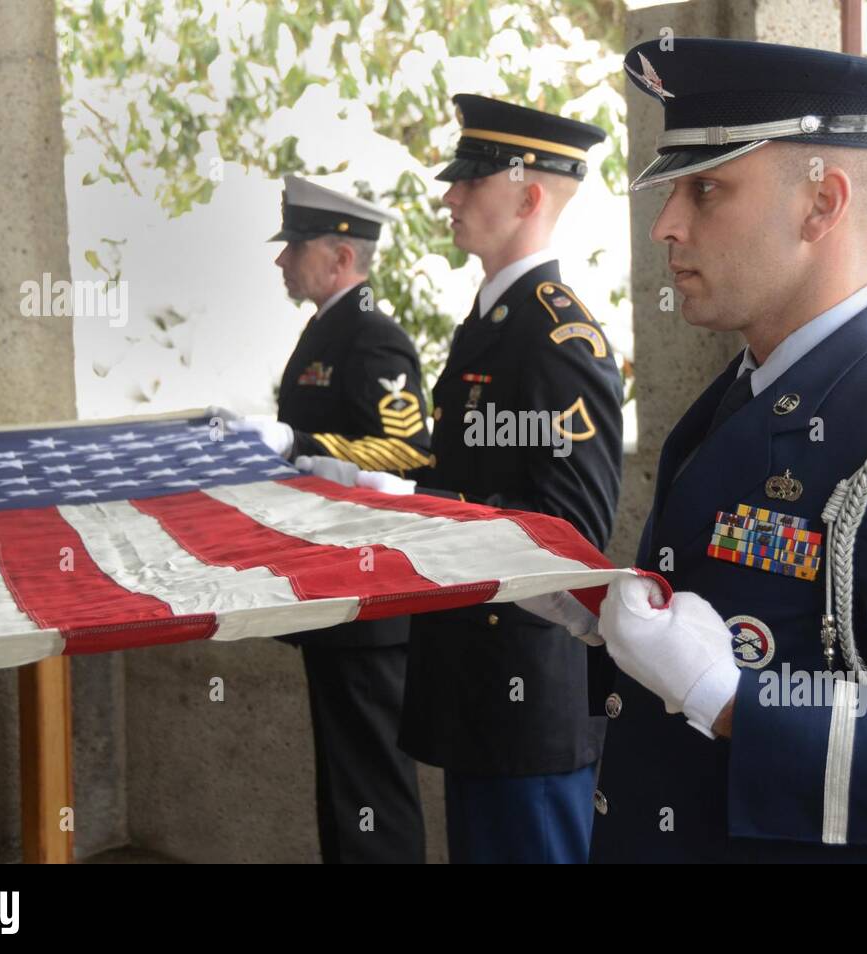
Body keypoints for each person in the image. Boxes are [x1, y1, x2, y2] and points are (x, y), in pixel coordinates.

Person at [524, 38, 867, 863]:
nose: (667, 223)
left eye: (706, 188)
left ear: (822, 204)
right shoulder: (745, 395)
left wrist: (728, 700)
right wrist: (618, 638)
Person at [398, 95, 625, 863]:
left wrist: (425, 509)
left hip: (526, 678)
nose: (450, 195)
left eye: (470, 180)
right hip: (478, 675)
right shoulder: (493, 320)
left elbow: (574, 536)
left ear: (529, 196)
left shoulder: (558, 335)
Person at [229, 176, 432, 863]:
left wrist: (297, 445)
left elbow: (408, 451)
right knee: (346, 792)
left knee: (370, 787)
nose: (282, 261)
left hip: (368, 598)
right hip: (330, 590)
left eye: (294, 247)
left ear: (341, 256)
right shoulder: (327, 333)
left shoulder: (371, 338)